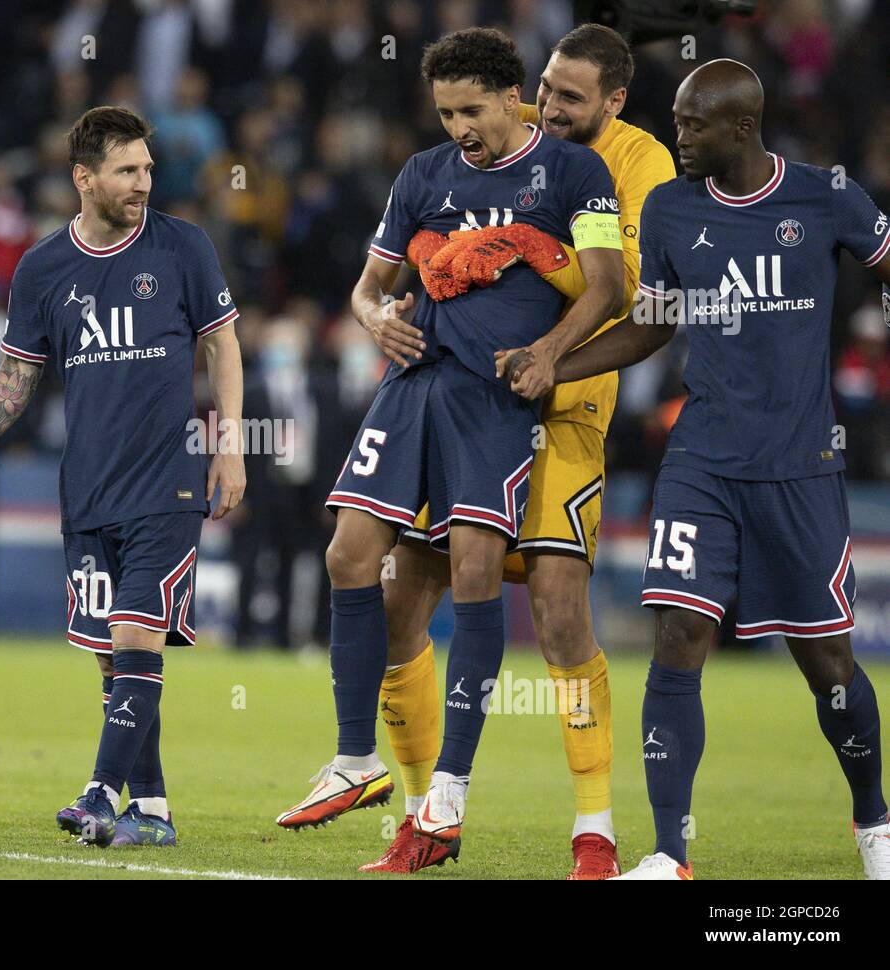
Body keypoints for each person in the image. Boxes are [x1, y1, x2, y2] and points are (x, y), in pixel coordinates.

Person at [517, 59, 890, 880]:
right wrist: (554, 359)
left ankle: (874, 824)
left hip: (799, 468)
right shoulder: (669, 207)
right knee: (679, 635)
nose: (676, 137)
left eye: (691, 125)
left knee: (826, 665)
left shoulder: (824, 197)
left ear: (741, 128)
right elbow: (652, 326)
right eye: (675, 123)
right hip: (703, 463)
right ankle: (669, 853)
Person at [275, 28, 624, 864]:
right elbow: (368, 288)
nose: (459, 126)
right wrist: (376, 321)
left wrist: (547, 354)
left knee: (473, 572)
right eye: (444, 111)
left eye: (471, 110)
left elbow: (610, 286)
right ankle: (356, 760)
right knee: (347, 555)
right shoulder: (424, 174)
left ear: (514, 99)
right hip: (412, 385)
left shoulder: (574, 172)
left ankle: (447, 796)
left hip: (494, 398)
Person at [361, 23, 675, 877]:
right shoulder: (489, 149)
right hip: (468, 400)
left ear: (613, 102)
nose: (550, 106)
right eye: (544, 88)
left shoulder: (638, 166)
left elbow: (633, 296)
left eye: (572, 97)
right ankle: (428, 810)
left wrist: (523, 264)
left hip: (566, 409)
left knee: (562, 612)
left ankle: (595, 830)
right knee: (401, 600)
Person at [0, 105, 245, 847]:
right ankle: (157, 813)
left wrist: (229, 445)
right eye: (127, 171)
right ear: (84, 178)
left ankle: (101, 792)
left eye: (147, 168)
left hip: (167, 485)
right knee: (116, 662)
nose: (144, 182)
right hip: (88, 492)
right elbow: (19, 375)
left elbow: (224, 348)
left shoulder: (184, 248)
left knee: (138, 636)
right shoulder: (44, 267)